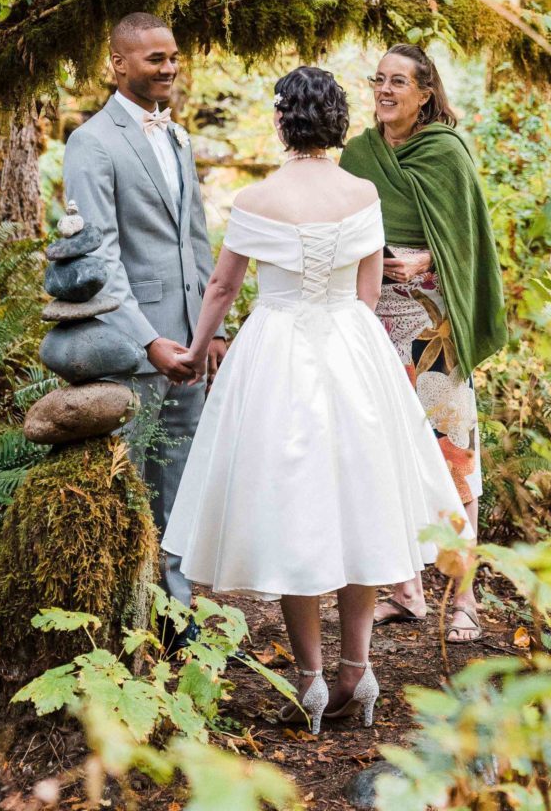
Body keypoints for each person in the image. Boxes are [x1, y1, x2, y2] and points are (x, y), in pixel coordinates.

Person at [160, 66, 469, 735]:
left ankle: (309, 680)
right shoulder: (361, 192)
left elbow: (221, 288)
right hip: (351, 350)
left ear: (281, 123)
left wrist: (193, 350)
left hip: (275, 353)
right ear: (335, 125)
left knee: (294, 512)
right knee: (360, 507)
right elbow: (364, 292)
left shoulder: (255, 198)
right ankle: (358, 668)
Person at [340, 44, 507, 645]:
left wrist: (429, 257)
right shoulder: (358, 153)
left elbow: (471, 243)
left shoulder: (446, 152)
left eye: (398, 82)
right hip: (371, 318)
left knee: (449, 452)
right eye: (378, 80)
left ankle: (463, 598)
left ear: (425, 93)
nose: (385, 91)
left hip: (433, 323)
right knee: (382, 452)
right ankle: (405, 590)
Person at [62, 11, 227, 614]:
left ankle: (174, 610)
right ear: (118, 63)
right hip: (133, 346)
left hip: (189, 340)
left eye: (174, 56)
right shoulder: (92, 142)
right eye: (155, 58)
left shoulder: (177, 136)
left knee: (180, 478)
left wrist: (212, 331)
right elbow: (98, 258)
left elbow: (198, 237)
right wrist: (149, 341)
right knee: (129, 478)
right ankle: (120, 609)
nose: (169, 67)